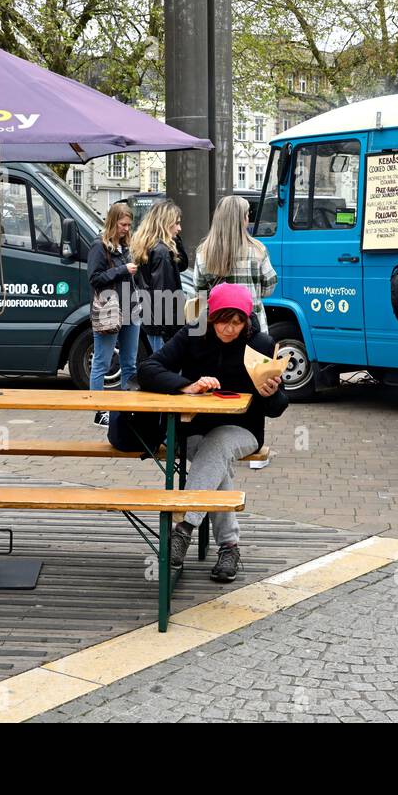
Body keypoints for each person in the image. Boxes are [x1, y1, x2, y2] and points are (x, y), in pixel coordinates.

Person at [137, 283, 288, 582]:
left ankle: (183, 527)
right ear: (210, 317)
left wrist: (270, 392)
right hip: (193, 429)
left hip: (242, 430)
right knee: (216, 461)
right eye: (222, 320)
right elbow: (148, 368)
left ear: (246, 321)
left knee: (218, 444)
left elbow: (278, 406)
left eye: (237, 322)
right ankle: (229, 546)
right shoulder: (192, 335)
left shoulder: (260, 343)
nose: (229, 329)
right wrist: (185, 385)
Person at [87, 202, 141, 427]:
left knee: (130, 362)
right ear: (112, 222)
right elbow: (94, 278)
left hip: (131, 309)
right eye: (122, 224)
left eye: (129, 224)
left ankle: (127, 410)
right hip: (109, 309)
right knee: (102, 362)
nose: (126, 228)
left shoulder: (127, 246)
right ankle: (99, 412)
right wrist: (122, 269)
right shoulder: (99, 246)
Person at [194, 195, 277, 333]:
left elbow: (200, 294)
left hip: (220, 331)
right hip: (252, 329)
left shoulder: (203, 252)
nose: (248, 218)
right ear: (242, 220)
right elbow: (268, 288)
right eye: (247, 215)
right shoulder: (258, 250)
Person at [130, 199, 185, 353]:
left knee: (159, 367)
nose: (179, 228)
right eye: (177, 223)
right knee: (167, 371)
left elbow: (183, 264)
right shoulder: (161, 252)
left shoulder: (146, 246)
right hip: (163, 326)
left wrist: (174, 238)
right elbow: (164, 294)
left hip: (151, 320)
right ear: (165, 223)